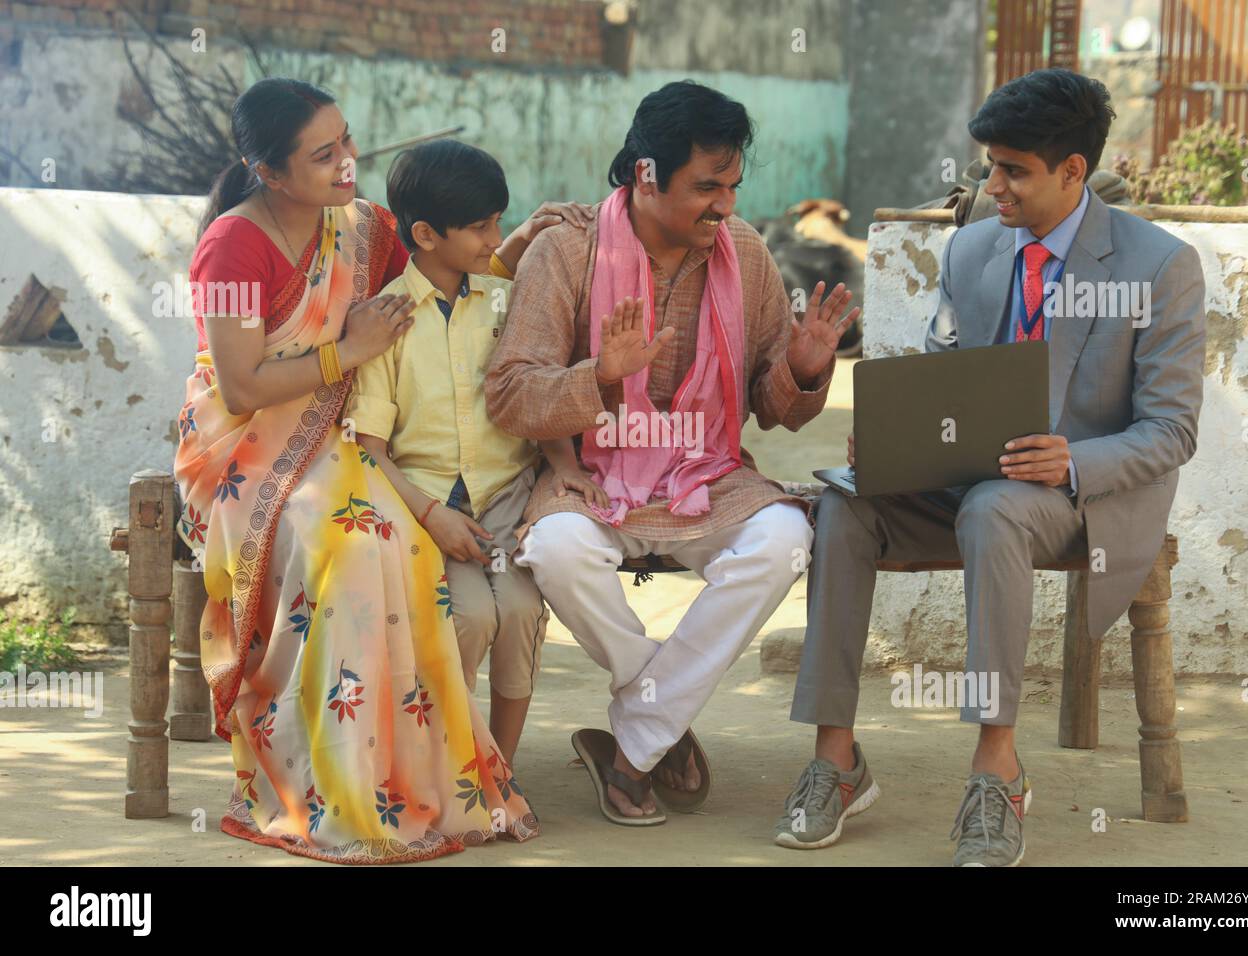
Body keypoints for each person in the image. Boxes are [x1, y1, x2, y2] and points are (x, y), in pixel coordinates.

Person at [774, 69, 1207, 866]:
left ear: (1073, 171)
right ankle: (835, 760)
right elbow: (946, 373)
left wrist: (1070, 456)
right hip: (967, 477)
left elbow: (1172, 430)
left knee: (995, 509)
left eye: (1013, 169)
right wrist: (896, 440)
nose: (991, 185)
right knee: (843, 503)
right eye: (987, 166)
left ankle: (997, 770)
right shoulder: (972, 246)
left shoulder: (1159, 267)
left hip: (1083, 495)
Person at [174, 77, 536, 864]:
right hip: (244, 452)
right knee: (348, 548)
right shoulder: (233, 246)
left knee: (397, 546)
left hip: (333, 437)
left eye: (347, 140)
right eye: (323, 153)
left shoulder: (365, 228)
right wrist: (348, 351)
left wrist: (538, 237)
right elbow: (239, 388)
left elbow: (452, 264)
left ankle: (395, 775)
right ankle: (323, 780)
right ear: (269, 171)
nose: (348, 162)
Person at [485, 80, 858, 826]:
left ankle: (635, 741)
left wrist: (808, 365)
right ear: (646, 174)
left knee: (785, 537)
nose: (724, 205)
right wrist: (602, 376)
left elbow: (772, 406)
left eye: (732, 186)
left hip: (705, 474)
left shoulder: (744, 253)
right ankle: (661, 715)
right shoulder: (568, 249)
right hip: (590, 475)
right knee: (555, 549)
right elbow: (512, 394)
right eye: (707, 186)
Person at [346, 138, 601, 766]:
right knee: (469, 619)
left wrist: (565, 467)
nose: (497, 236)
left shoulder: (507, 299)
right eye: (482, 226)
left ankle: (500, 773)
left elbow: (533, 391)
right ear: (427, 234)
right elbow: (368, 449)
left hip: (507, 500)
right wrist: (431, 516)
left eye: (499, 220)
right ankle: (444, 768)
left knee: (516, 612)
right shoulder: (387, 320)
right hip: (424, 509)